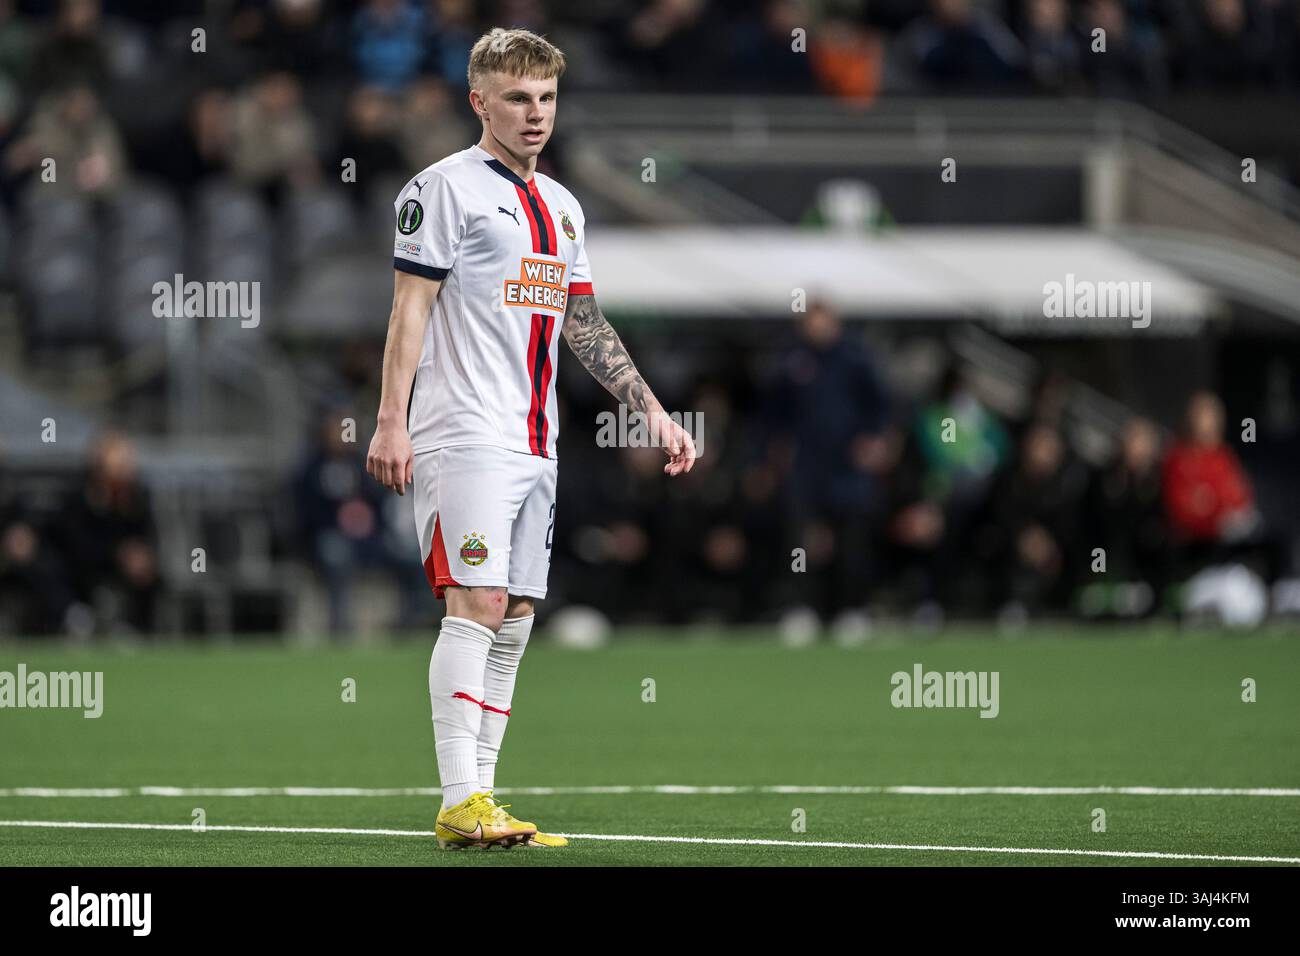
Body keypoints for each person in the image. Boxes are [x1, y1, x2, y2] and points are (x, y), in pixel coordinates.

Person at [365, 27, 695, 849]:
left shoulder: (564, 205)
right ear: (479, 102)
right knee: (474, 603)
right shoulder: (443, 189)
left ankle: (481, 800)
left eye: (546, 98)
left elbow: (581, 320)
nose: (535, 113)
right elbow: (409, 309)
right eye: (517, 98)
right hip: (461, 432)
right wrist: (390, 420)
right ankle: (456, 798)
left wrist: (650, 407)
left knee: (513, 617)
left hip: (534, 440)